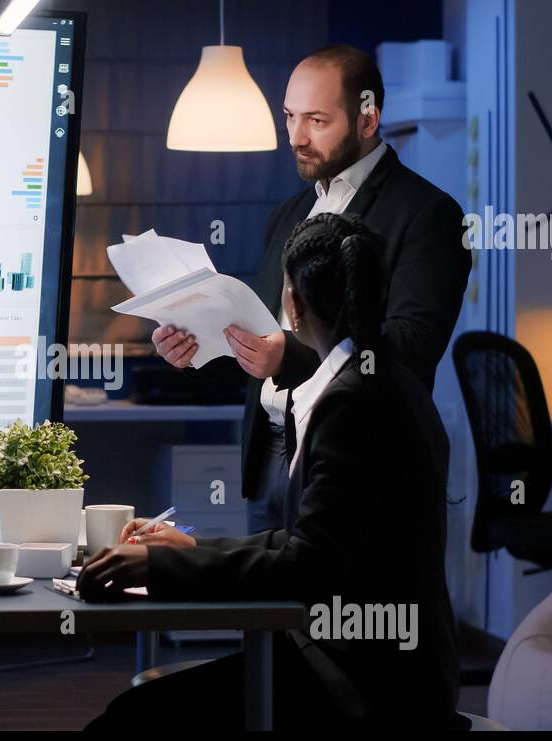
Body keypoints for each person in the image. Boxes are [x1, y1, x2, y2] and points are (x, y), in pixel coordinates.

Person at [81, 213, 461, 731]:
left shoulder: (351, 402)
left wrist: (157, 568)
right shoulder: (388, 379)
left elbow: (309, 567)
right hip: (384, 666)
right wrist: (193, 550)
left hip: (364, 685)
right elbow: (317, 540)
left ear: (293, 307)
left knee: (126, 720)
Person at [151, 44, 470, 531]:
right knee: (273, 607)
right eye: (289, 116)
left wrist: (290, 356)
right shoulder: (290, 213)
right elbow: (265, 335)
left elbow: (412, 347)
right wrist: (196, 346)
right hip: (271, 455)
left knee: (339, 606)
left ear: (368, 119)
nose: (297, 137)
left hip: (357, 462)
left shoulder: (429, 214)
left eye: (317, 121)